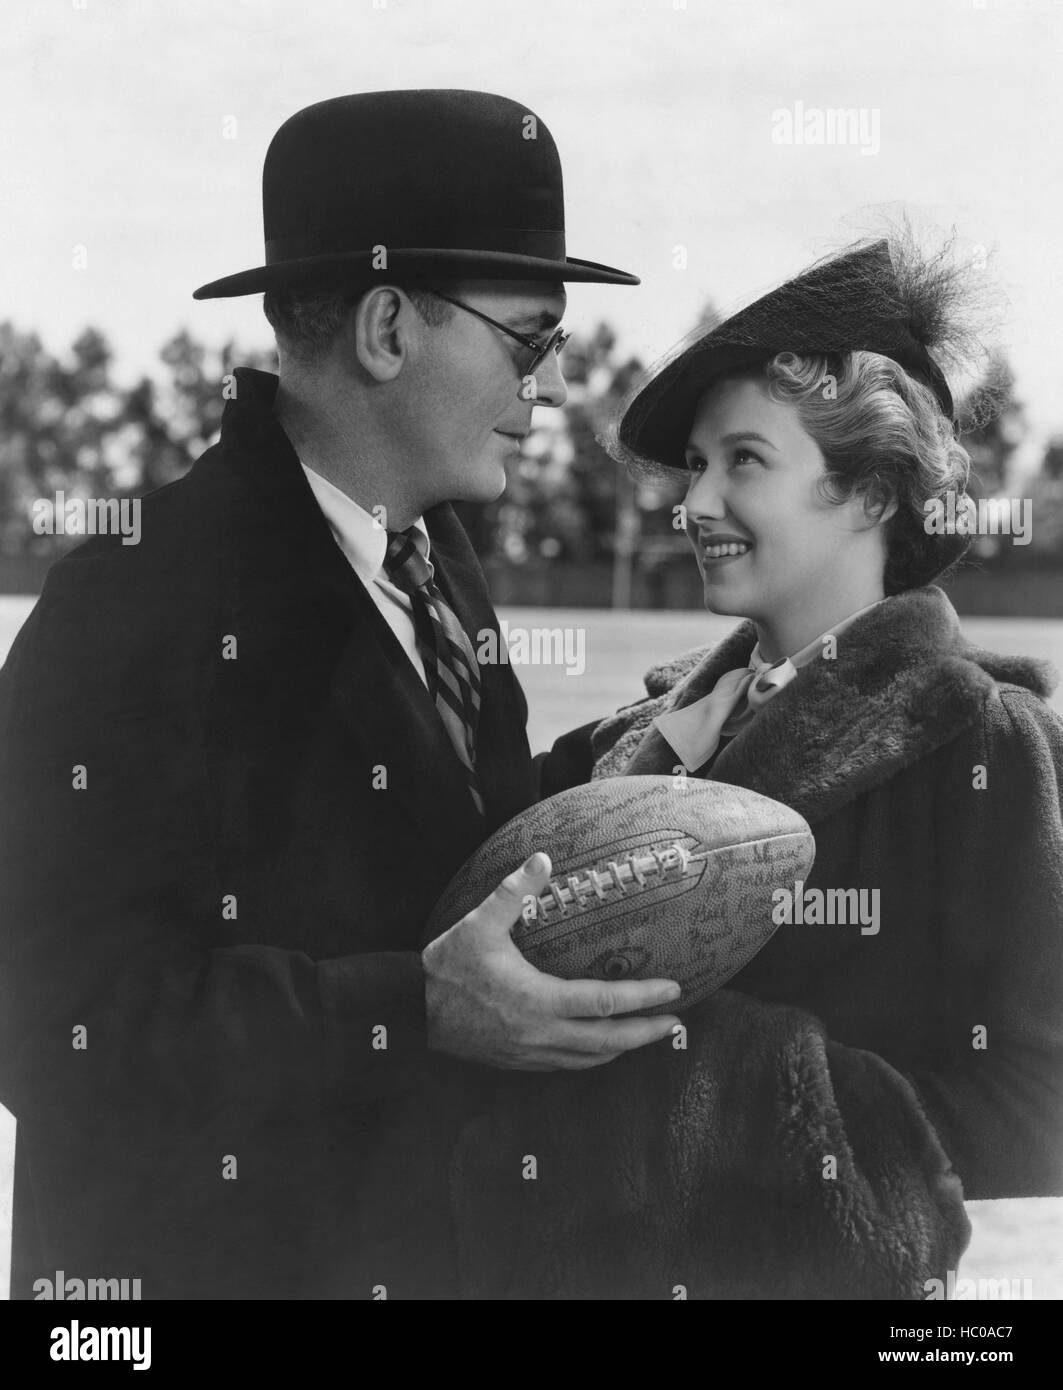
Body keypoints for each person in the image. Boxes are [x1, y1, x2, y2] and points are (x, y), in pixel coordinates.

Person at [0, 90, 682, 1301]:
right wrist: (406, 1007)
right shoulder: (136, 597)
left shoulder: (434, 563)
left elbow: (445, 846)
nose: (550, 389)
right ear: (385, 328)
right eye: (532, 343)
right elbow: (46, 1015)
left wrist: (654, 747)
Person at [540, 235, 1063, 1212]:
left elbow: (1037, 1114)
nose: (693, 502)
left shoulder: (980, 744)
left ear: (870, 491)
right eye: (696, 464)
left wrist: (700, 1122)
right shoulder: (618, 743)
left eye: (744, 460)